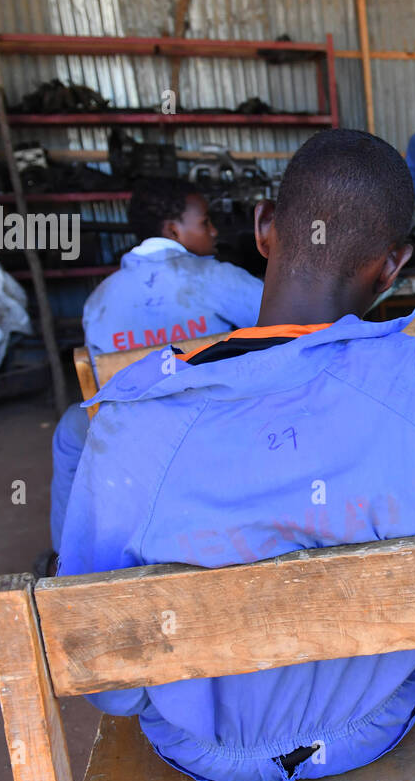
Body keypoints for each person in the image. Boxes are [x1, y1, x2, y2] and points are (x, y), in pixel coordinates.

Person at [56, 129, 415, 781]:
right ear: (394, 265)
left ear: (264, 226)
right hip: (376, 726)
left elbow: (104, 677)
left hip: (197, 750)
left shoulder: (131, 420)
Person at [47, 179, 265, 549]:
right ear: (172, 230)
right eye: (206, 221)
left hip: (132, 431)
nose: (214, 231)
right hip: (213, 421)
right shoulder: (218, 278)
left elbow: (103, 384)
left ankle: (67, 556)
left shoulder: (100, 298)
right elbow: (284, 321)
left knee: (71, 431)